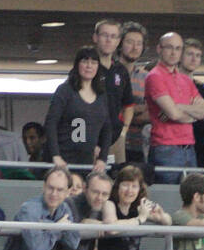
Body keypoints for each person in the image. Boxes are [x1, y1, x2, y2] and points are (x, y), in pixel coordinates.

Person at [145, 31, 204, 184]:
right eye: (169, 47)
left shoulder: (185, 79)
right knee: (168, 195)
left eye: (178, 48)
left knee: (193, 194)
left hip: (189, 147)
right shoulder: (155, 76)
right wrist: (192, 115)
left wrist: (179, 106)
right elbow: (173, 115)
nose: (174, 53)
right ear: (159, 49)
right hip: (166, 148)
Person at [45, 47, 112, 174]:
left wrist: (102, 158)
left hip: (87, 162)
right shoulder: (65, 90)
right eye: (85, 61)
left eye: (93, 62)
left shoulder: (101, 95)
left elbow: (107, 128)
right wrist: (55, 156)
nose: (89, 66)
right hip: (63, 160)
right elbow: (51, 123)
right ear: (77, 65)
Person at [0, 165, 79, 250]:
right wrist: (57, 228)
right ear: (44, 187)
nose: (54, 194)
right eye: (50, 188)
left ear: (67, 192)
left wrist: (48, 228)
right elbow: (37, 246)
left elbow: (73, 242)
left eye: (59, 190)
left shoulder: (64, 208)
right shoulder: (29, 209)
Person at [98, 165, 170, 250]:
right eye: (125, 185)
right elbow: (111, 228)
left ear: (140, 189)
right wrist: (139, 219)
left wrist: (160, 216)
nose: (129, 191)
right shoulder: (109, 204)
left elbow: (168, 221)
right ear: (117, 186)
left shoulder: (138, 207)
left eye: (134, 186)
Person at [92, 18, 133, 163]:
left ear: (118, 41)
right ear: (95, 38)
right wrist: (82, 139)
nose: (109, 40)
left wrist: (124, 131)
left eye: (113, 36)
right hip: (89, 138)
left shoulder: (121, 71)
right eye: (105, 35)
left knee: (118, 175)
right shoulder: (86, 68)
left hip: (114, 138)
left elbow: (129, 105)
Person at [55, 169, 112, 250]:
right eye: (95, 192)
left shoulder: (103, 205)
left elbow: (112, 228)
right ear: (85, 188)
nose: (99, 197)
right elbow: (71, 238)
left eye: (105, 194)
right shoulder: (68, 204)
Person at [181, 38, 204, 171]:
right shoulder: (168, 84)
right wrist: (196, 113)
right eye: (190, 54)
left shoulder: (203, 90)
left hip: (200, 149)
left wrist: (185, 113)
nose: (194, 59)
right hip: (174, 147)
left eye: (198, 56)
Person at [117, 21, 150, 168]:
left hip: (139, 147)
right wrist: (137, 109)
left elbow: (153, 114)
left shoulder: (147, 77)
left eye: (139, 43)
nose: (135, 47)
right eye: (130, 42)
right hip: (113, 144)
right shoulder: (108, 73)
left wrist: (125, 111)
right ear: (120, 44)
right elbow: (106, 112)